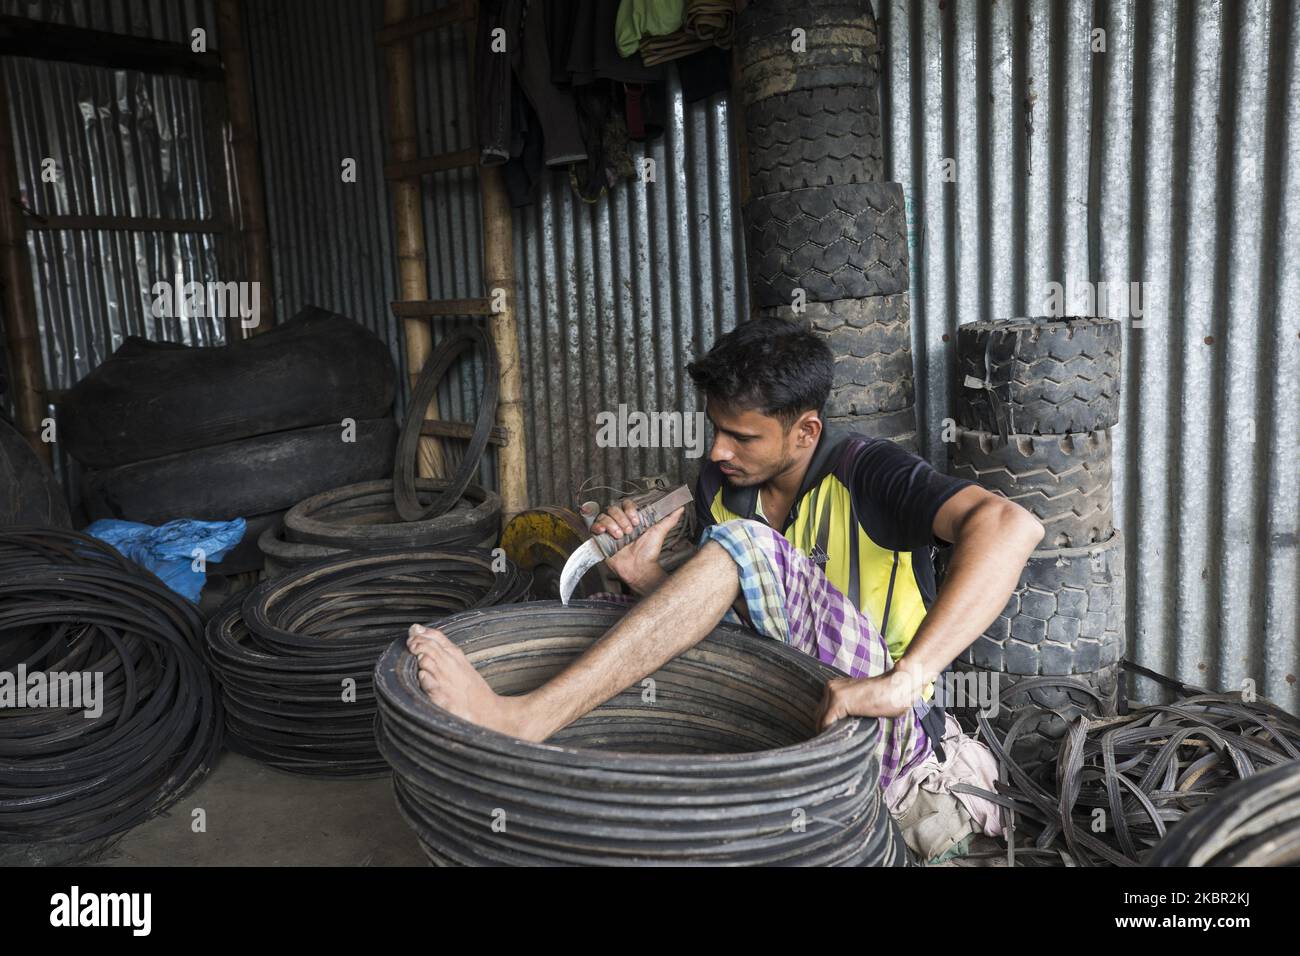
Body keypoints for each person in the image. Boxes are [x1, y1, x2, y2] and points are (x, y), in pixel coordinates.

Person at [406, 318, 1042, 804]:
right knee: (613, 606)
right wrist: (644, 578)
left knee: (748, 545)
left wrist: (907, 678)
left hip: (884, 725)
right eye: (714, 428)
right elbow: (739, 618)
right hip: (790, 700)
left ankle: (526, 718)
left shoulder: (868, 472)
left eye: (741, 436)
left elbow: (1012, 526)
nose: (717, 449)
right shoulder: (720, 486)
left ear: (806, 432)